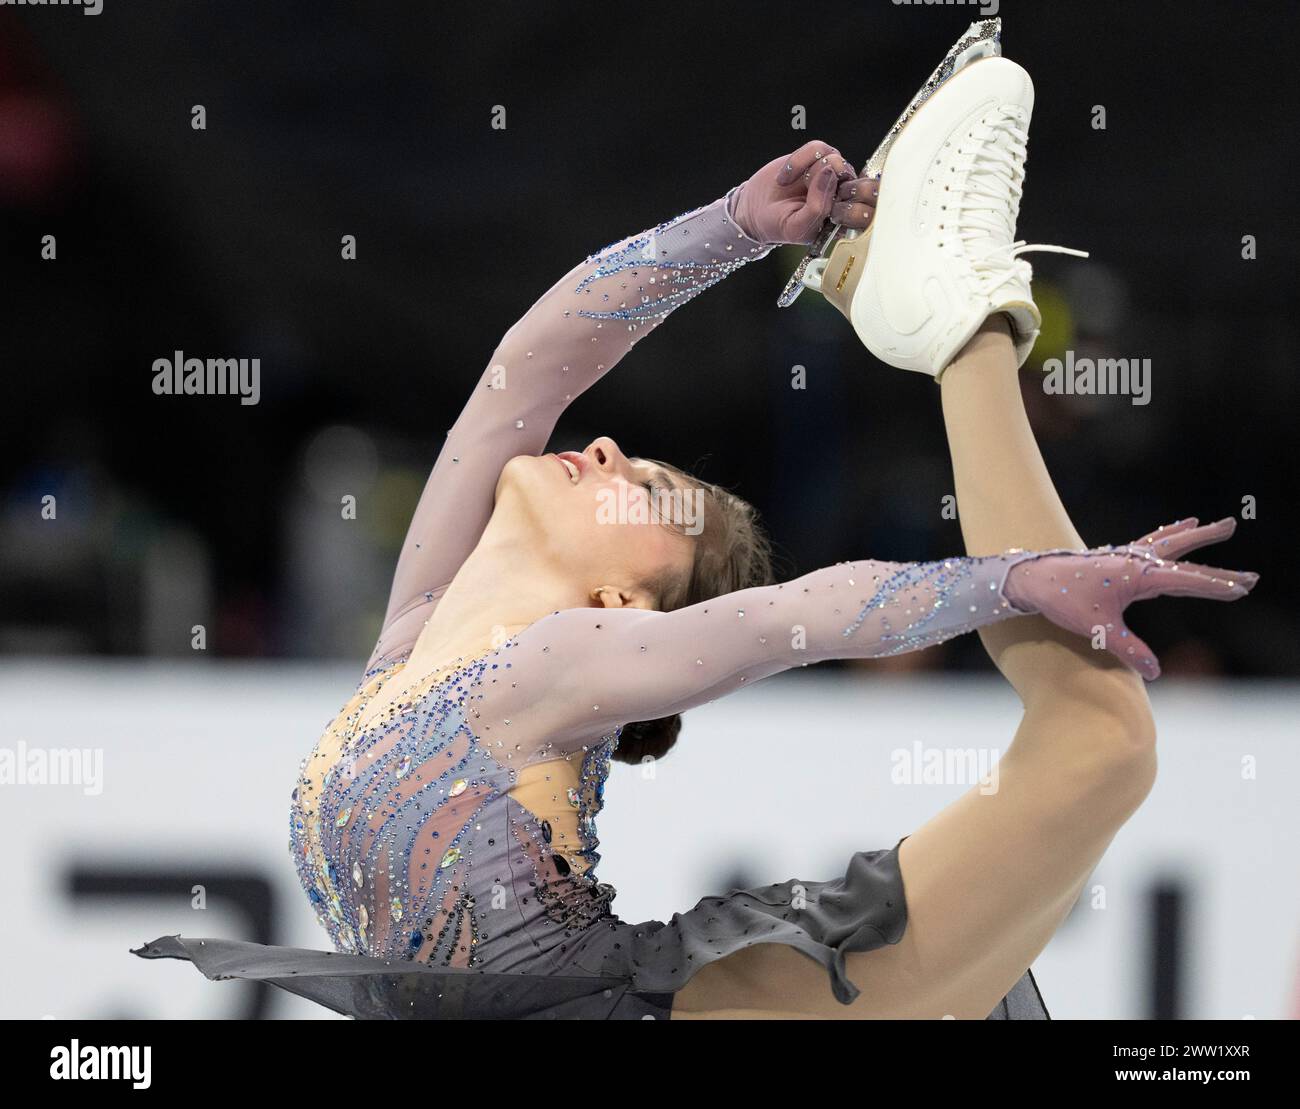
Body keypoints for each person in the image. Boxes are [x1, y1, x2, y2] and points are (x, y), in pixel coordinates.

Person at [135, 56, 1256, 1020]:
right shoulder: (413, 645)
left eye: (652, 493)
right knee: (1102, 741)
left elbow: (789, 617)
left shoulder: (550, 667)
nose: (610, 448)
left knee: (1102, 741)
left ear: (621, 608)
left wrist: (1018, 577)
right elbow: (531, 366)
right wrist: (726, 229)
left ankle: (964, 326)